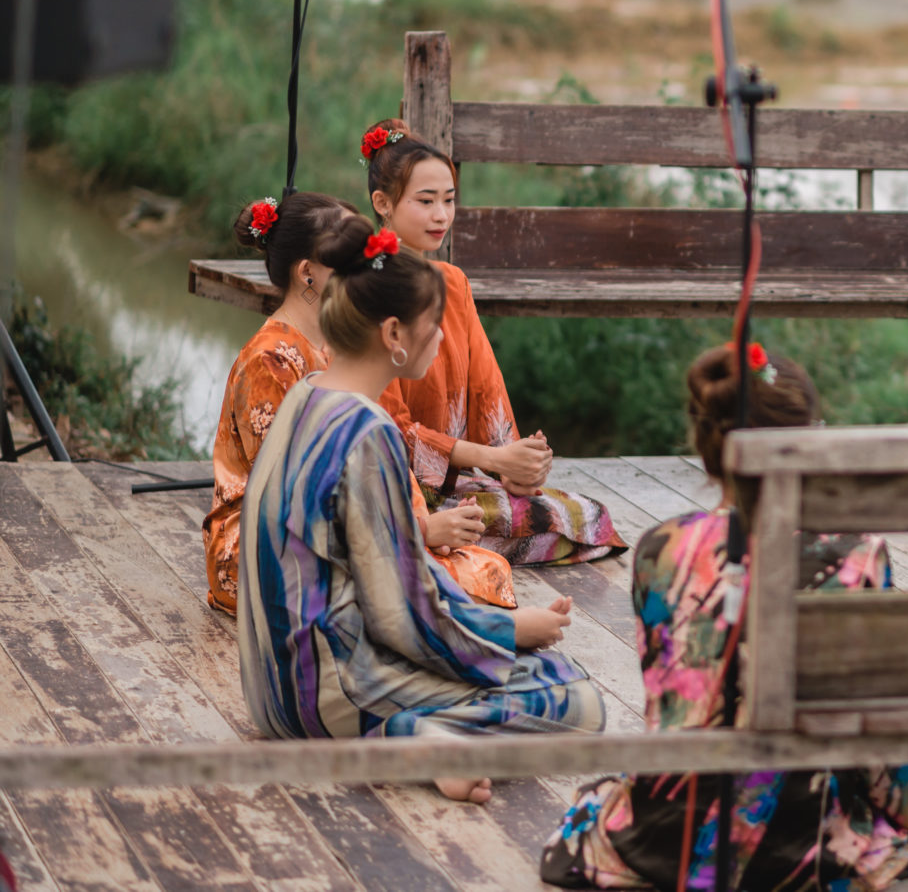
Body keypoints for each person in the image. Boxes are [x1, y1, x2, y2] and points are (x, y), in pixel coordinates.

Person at [541, 341, 908, 890]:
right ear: (802, 443)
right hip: (795, 842)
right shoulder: (856, 555)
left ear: (708, 449)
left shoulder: (660, 548)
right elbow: (872, 734)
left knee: (597, 798)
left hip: (669, 832)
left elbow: (673, 702)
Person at [238, 214, 602, 804]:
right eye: (435, 326)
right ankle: (411, 740)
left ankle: (416, 732)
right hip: (328, 693)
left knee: (518, 668)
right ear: (393, 334)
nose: (442, 338)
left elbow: (390, 575)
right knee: (572, 699)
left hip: (272, 686)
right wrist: (508, 630)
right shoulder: (368, 431)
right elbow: (399, 616)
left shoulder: (309, 394)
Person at [205, 191, 514, 614]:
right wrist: (419, 531)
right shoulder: (271, 361)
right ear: (307, 273)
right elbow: (289, 502)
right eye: (349, 261)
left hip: (340, 531)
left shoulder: (337, 342)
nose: (364, 272)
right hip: (269, 548)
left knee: (484, 567)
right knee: (458, 582)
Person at [360, 118, 626, 567]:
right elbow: (390, 431)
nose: (441, 215)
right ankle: (422, 541)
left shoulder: (453, 283)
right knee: (557, 527)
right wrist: (493, 458)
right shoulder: (367, 287)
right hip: (391, 486)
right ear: (382, 204)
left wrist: (518, 462)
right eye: (425, 201)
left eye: (449, 200)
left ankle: (439, 545)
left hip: (456, 483)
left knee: (587, 517)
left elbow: (487, 392)